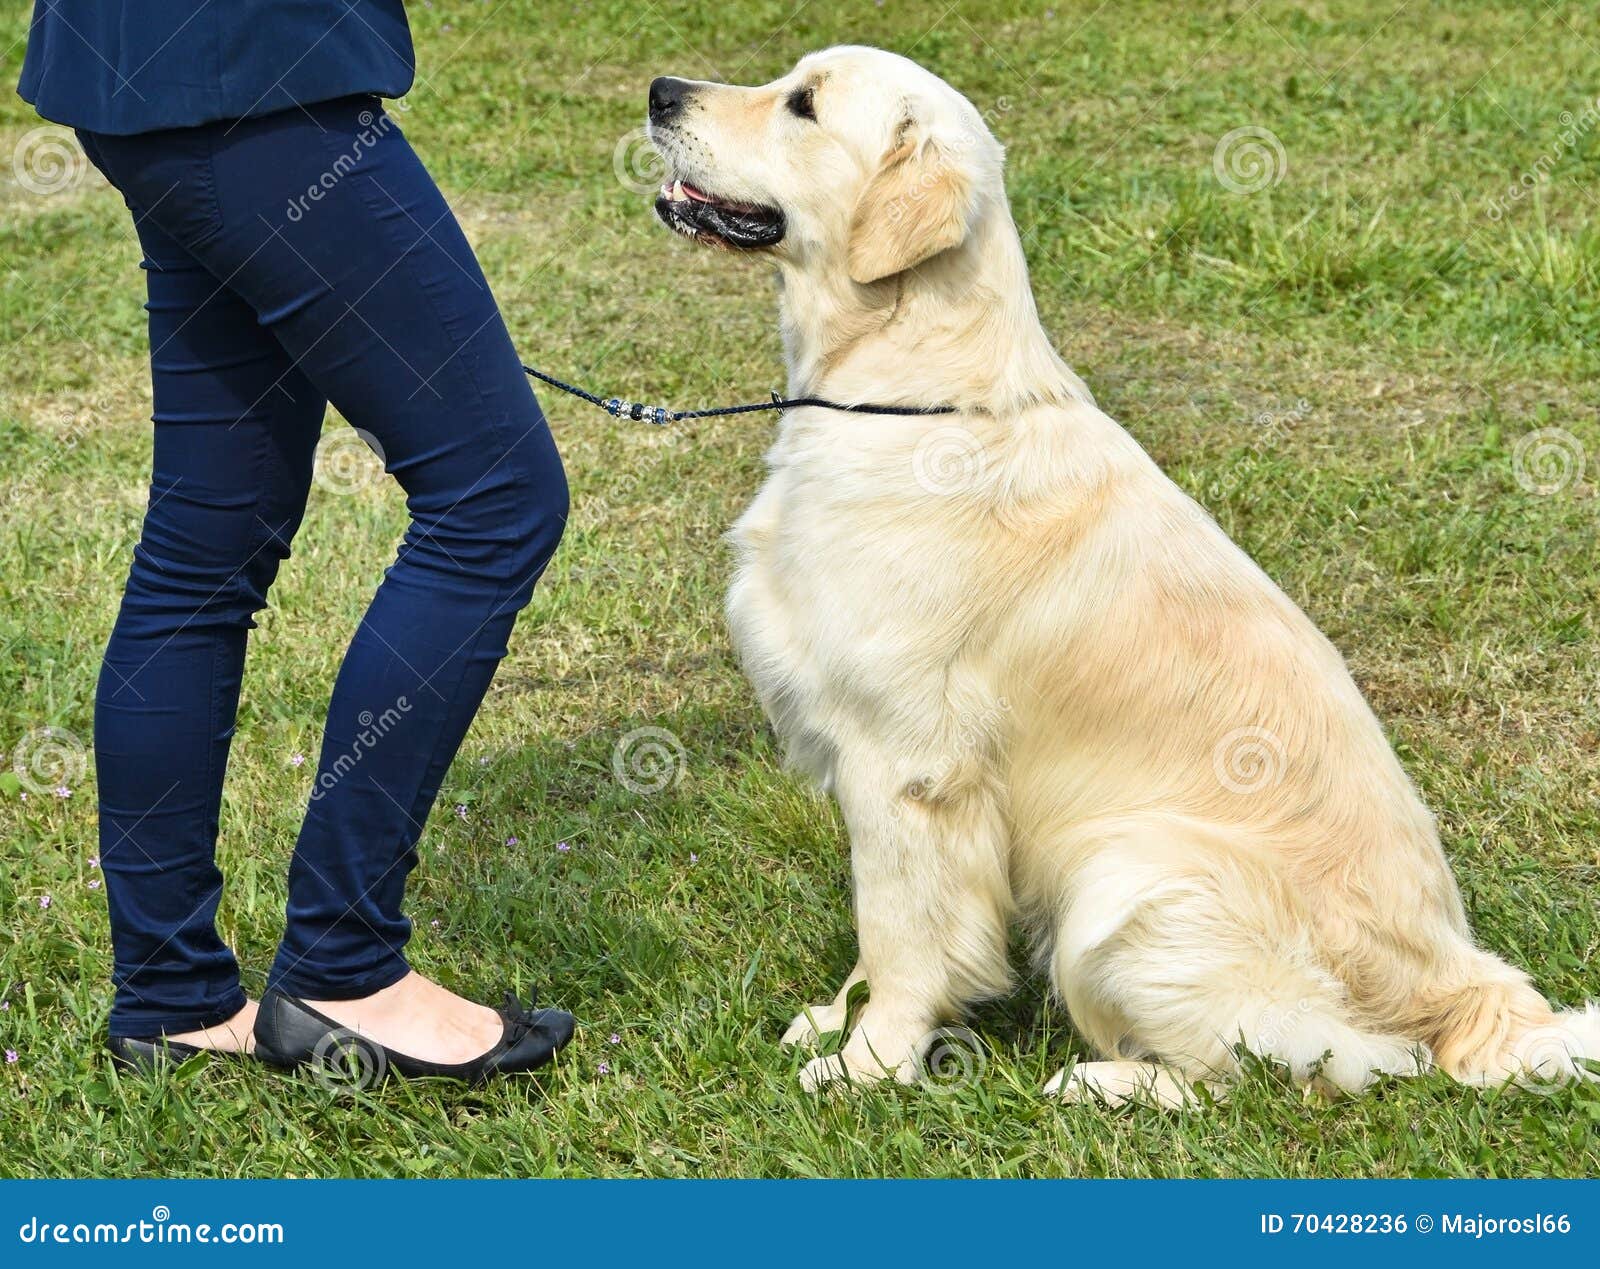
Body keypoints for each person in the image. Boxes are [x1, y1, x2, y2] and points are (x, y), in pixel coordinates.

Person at [18, 1, 576, 1081]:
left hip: (145, 66)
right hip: (257, 73)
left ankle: (174, 998)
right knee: (494, 497)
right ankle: (345, 968)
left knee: (205, 537)